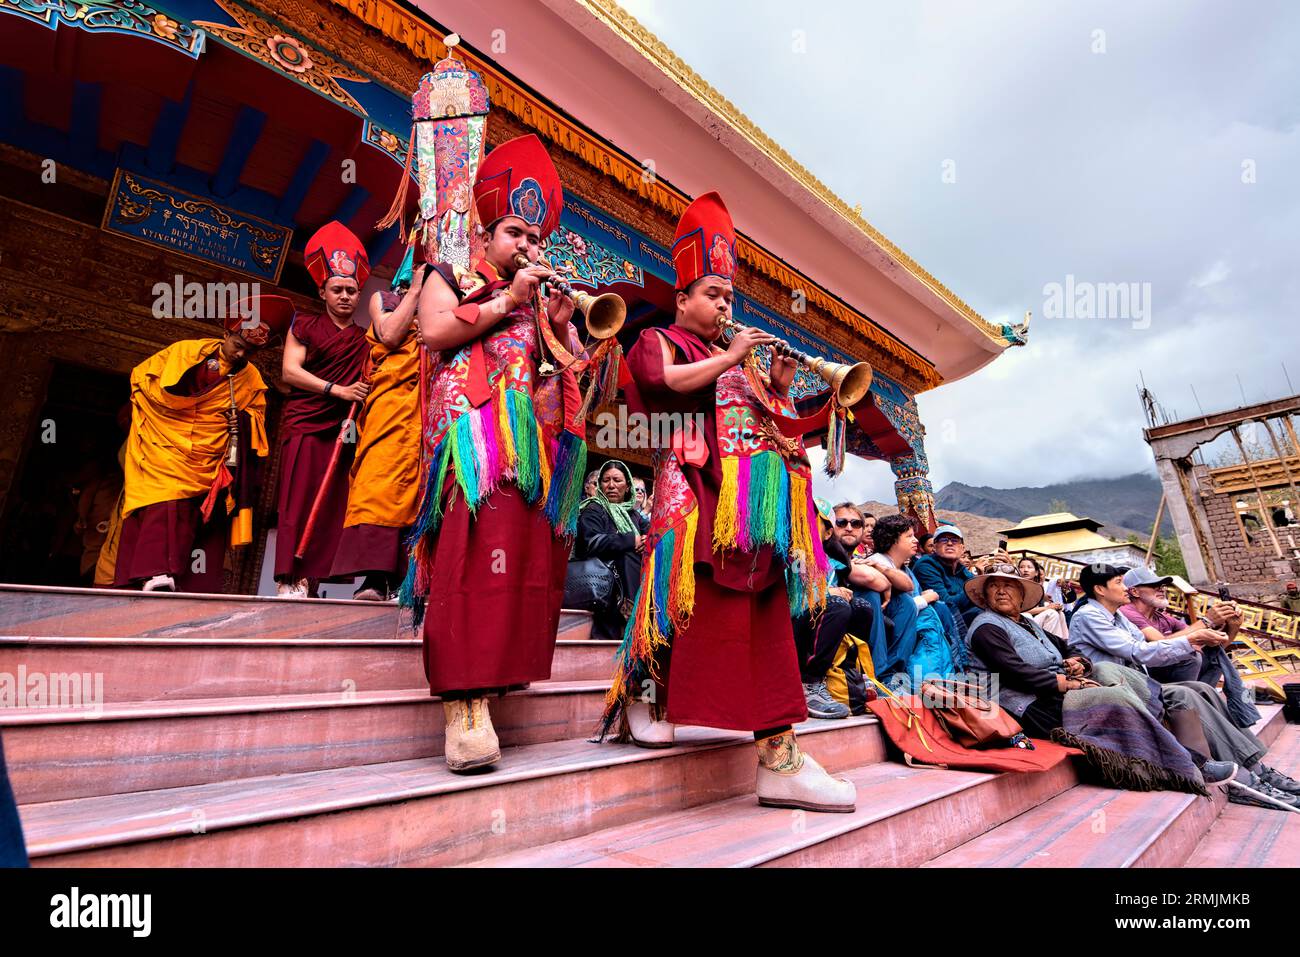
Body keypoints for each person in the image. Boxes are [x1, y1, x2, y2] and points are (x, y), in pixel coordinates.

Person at [599, 191, 855, 812]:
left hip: (743, 504)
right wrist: (731, 358)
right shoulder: (659, 339)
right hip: (692, 498)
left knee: (755, 614)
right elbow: (661, 384)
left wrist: (781, 385)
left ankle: (778, 754)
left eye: (728, 297)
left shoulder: (736, 362)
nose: (723, 305)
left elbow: (773, 430)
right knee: (681, 602)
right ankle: (648, 692)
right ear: (682, 298)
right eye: (712, 294)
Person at [406, 133, 600, 773]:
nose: (527, 247)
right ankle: (461, 705)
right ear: (487, 237)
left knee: (522, 562)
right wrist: (508, 300)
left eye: (535, 237)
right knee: (467, 558)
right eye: (515, 232)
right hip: (472, 441)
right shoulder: (450, 273)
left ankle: (496, 685)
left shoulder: (545, 300)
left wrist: (567, 324)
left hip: (533, 454)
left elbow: (575, 381)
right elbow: (434, 331)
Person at [964, 568, 1233, 794]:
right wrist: (1068, 684)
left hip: (1049, 691)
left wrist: (1078, 662)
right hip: (1024, 704)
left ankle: (1161, 727)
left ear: (1021, 595)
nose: (1002, 591)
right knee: (1114, 697)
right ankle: (1188, 764)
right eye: (994, 587)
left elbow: (1067, 646)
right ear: (985, 597)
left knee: (1107, 671)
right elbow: (1015, 672)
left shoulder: (1027, 622)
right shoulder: (987, 627)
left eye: (1009, 587)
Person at [1070, 564, 1300, 811]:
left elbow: (1151, 646)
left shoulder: (1119, 616)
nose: (1125, 588)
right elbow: (1139, 651)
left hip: (1138, 683)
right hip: (1117, 690)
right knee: (1184, 694)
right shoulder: (1089, 616)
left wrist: (1218, 630)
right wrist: (1196, 635)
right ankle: (1241, 781)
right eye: (1118, 582)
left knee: (1202, 688)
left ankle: (1256, 768)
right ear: (1099, 589)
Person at [113, 300, 285, 592]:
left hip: (209, 459)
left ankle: (192, 587)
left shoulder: (251, 378)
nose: (243, 354)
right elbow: (148, 384)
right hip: (166, 448)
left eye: (252, 351)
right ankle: (154, 572)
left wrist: (239, 423)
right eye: (239, 345)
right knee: (164, 502)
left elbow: (255, 422)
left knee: (201, 518)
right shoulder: (186, 352)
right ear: (227, 334)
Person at [274, 221, 372, 597]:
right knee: (297, 499)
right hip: (306, 423)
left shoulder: (364, 340)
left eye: (351, 290)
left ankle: (314, 581)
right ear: (322, 291)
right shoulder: (305, 325)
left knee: (332, 501)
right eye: (338, 290)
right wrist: (338, 390)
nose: (345, 296)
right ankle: (289, 577)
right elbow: (290, 372)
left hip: (342, 429)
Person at [330, 251, 424, 600]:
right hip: (391, 405)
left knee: (426, 489)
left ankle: (411, 581)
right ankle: (373, 579)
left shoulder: (447, 302)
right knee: (381, 481)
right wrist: (415, 292)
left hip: (432, 405)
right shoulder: (384, 299)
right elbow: (388, 334)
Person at [792, 500, 887, 718]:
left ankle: (848, 675)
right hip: (788, 627)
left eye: (813, 520)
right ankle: (810, 683)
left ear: (827, 534)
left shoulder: (832, 563)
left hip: (812, 622)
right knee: (837, 606)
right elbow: (790, 598)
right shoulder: (793, 555)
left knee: (862, 607)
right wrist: (827, 594)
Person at [866, 513, 960, 691]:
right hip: (890, 645)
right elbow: (895, 609)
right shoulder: (876, 564)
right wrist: (923, 599)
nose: (915, 540)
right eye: (909, 536)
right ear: (892, 540)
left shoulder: (904, 568)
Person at [573, 460, 649, 640]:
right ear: (599, 485)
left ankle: (640, 619)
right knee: (628, 553)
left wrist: (647, 540)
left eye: (617, 480)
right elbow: (590, 543)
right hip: (604, 582)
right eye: (606, 480)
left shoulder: (634, 515)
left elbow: (651, 532)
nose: (611, 485)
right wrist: (631, 540)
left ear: (628, 486)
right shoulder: (593, 509)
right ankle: (631, 621)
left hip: (629, 580)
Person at [913, 524, 978, 626]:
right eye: (943, 540)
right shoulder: (926, 565)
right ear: (934, 547)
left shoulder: (960, 568)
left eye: (955, 540)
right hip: (945, 624)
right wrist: (974, 589)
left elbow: (975, 585)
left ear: (963, 548)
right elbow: (947, 604)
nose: (950, 543)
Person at [1016, 556, 1068, 640]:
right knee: (1051, 613)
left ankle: (1064, 641)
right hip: (1022, 621)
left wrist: (1055, 606)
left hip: (1034, 620)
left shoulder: (1038, 588)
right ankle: (1050, 644)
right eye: (1021, 567)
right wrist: (1047, 608)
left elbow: (1070, 598)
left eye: (1029, 567)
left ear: (1036, 572)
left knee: (1060, 613)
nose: (1025, 570)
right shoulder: (1017, 587)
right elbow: (1020, 609)